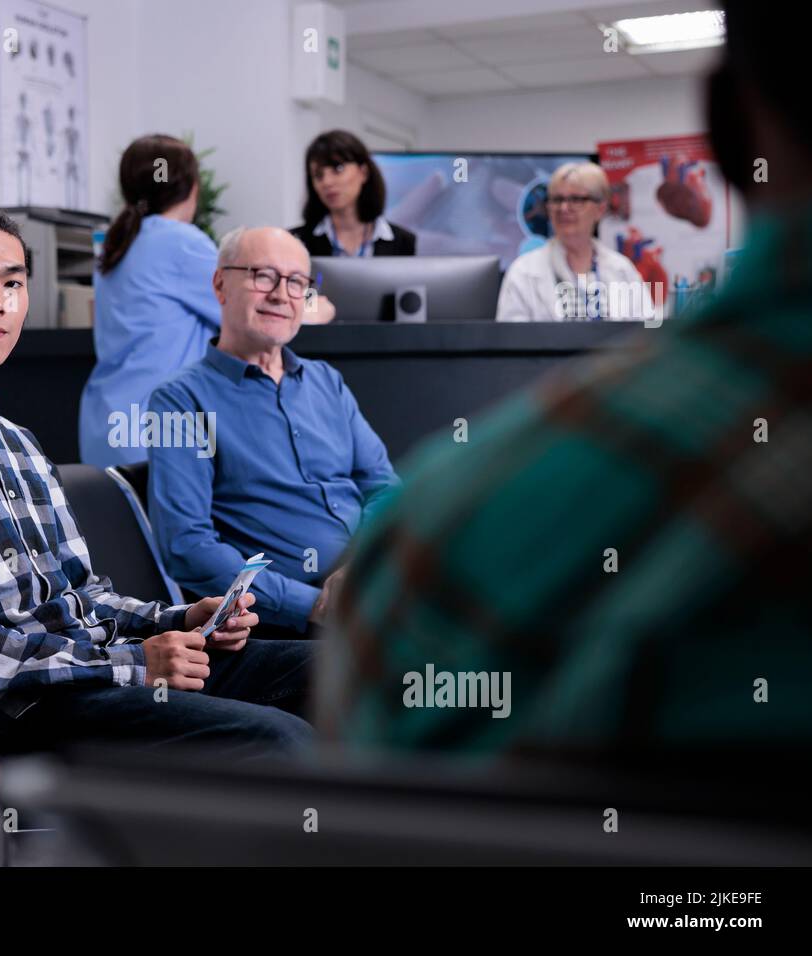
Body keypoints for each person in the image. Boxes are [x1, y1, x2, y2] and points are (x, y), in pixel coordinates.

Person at [318, 0, 812, 756]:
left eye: (582, 199)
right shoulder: (521, 273)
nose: (570, 211)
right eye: (559, 201)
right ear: (545, 211)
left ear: (725, 120)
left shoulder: (447, 540)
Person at [0, 202, 314, 757]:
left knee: (342, 675)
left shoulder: (17, 440)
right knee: (282, 738)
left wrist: (181, 619)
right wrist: (135, 662)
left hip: (97, 674)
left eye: (13, 283)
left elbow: (82, 597)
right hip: (26, 711)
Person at [148, 226, 400, 638]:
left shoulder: (327, 382)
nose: (281, 294)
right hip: (293, 630)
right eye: (262, 275)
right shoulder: (180, 400)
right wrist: (315, 604)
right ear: (220, 284)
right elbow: (188, 548)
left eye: (296, 282)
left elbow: (384, 487)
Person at [78, 135, 221, 467]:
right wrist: (313, 304)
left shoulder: (116, 243)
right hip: (159, 431)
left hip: (108, 424)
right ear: (191, 187)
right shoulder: (183, 242)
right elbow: (250, 311)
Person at [496, 162, 654, 322]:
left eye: (576, 199)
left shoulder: (622, 269)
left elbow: (650, 329)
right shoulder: (523, 272)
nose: (564, 208)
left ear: (600, 209)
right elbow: (510, 340)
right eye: (557, 200)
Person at [290, 129, 416, 260]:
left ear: (363, 172)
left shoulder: (403, 242)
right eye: (318, 175)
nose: (327, 182)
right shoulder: (295, 241)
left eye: (338, 168)